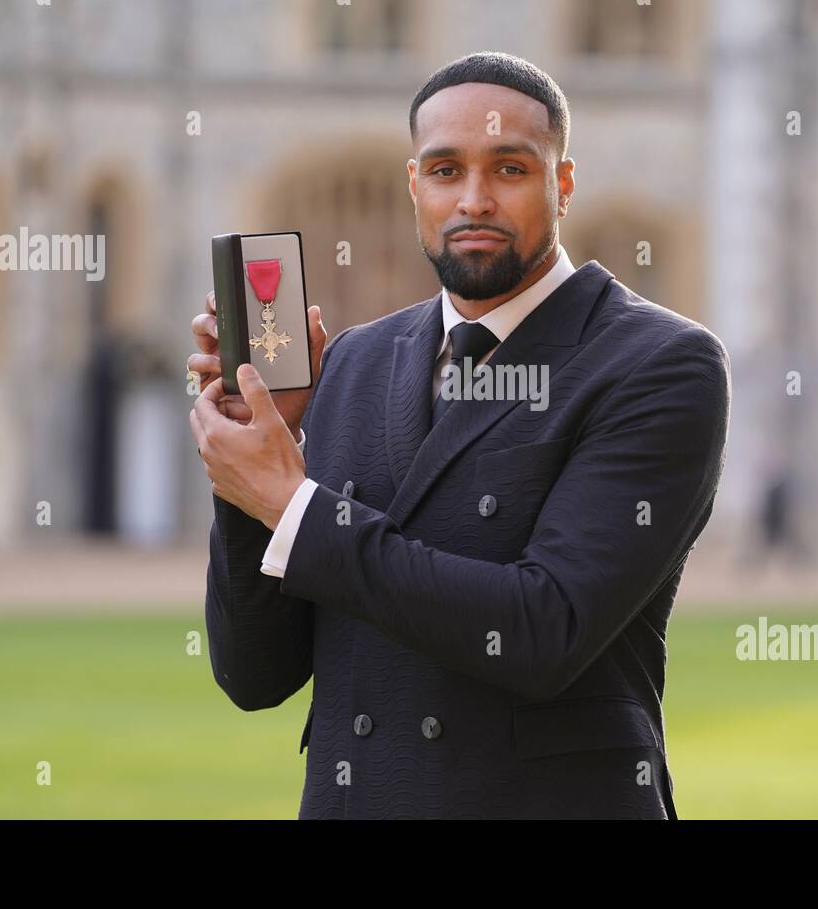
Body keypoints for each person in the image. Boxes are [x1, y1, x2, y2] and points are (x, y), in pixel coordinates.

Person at [187, 51, 730, 819]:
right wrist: (257, 457)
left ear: (562, 184)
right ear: (415, 187)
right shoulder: (352, 362)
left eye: (509, 168)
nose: (474, 199)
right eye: (445, 171)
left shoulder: (659, 363)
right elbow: (254, 676)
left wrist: (294, 503)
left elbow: (543, 631)